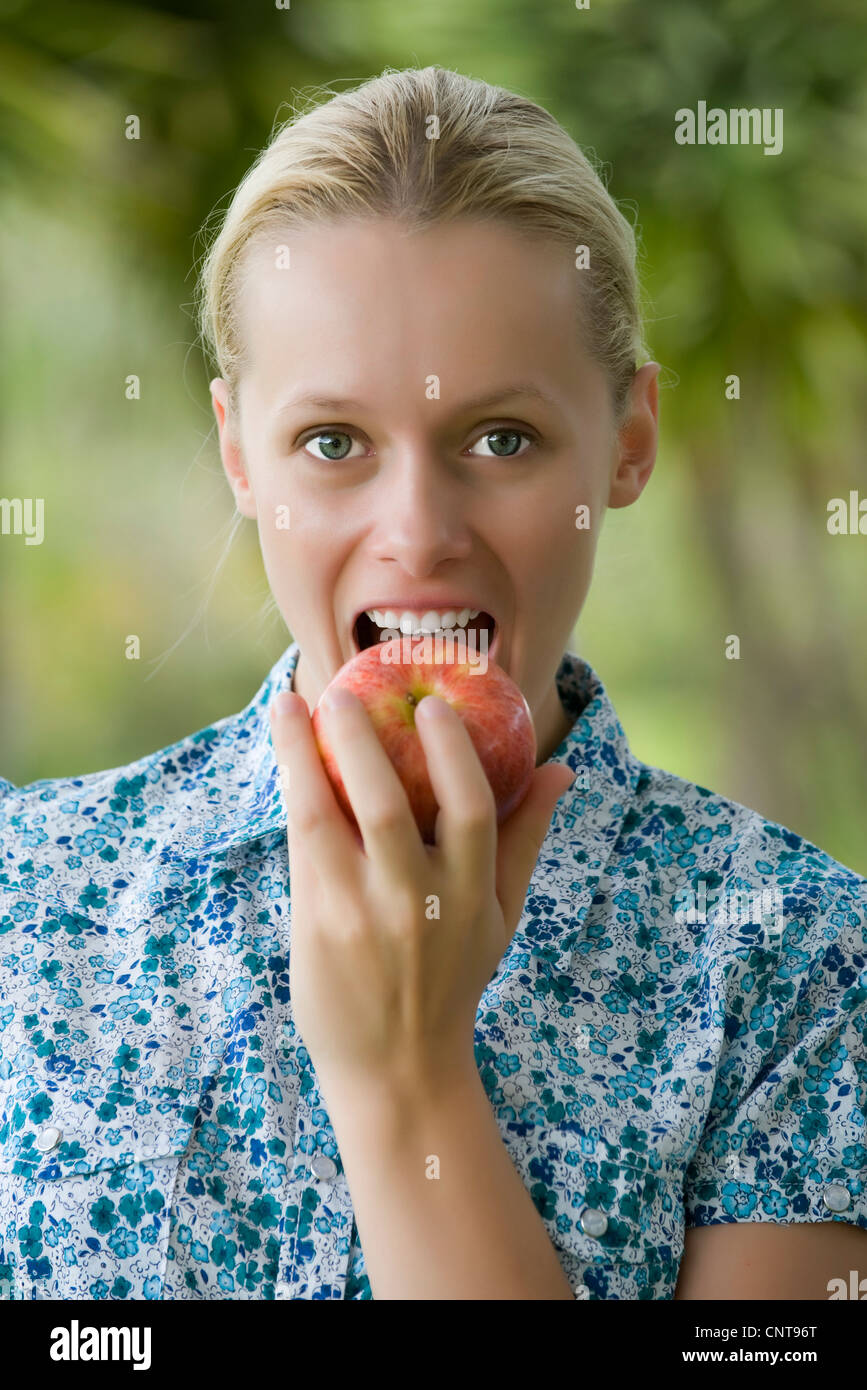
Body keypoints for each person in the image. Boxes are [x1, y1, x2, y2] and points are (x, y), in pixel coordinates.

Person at [1, 65, 865, 1302]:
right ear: (240, 450)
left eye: (500, 438)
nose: (418, 530)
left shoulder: (803, 972)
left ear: (629, 440)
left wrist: (407, 1084)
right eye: (332, 442)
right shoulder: (26, 899)